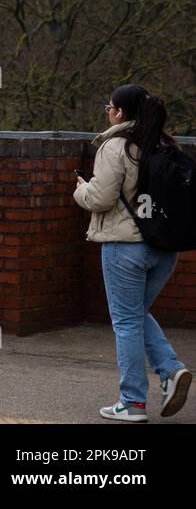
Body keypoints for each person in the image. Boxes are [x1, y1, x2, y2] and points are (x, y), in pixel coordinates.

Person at [75, 83, 190, 422]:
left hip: (125, 248)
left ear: (120, 112)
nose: (107, 112)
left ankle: (133, 402)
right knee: (136, 315)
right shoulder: (162, 144)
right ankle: (170, 370)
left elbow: (101, 199)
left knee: (126, 321)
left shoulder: (116, 146)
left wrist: (81, 192)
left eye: (108, 106)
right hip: (165, 248)